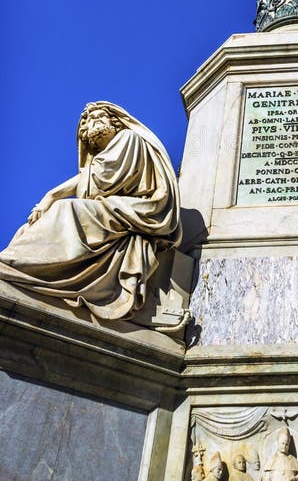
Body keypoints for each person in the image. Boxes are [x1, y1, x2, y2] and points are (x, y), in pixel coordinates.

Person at [0, 101, 181, 320]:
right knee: (42, 222)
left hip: (136, 210)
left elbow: (102, 179)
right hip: (115, 209)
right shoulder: (102, 157)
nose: (94, 120)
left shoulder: (128, 138)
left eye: (100, 116)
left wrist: (52, 194)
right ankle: (26, 266)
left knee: (67, 211)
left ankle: (23, 266)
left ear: (115, 122)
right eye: (89, 119)